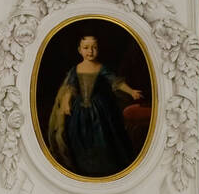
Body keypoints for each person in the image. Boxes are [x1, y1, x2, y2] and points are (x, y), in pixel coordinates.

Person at [46, 35, 143, 177]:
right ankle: (83, 166)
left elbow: (116, 82)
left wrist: (131, 91)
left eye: (94, 47)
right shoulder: (76, 69)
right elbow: (70, 88)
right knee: (78, 137)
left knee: (103, 137)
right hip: (79, 111)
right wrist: (66, 103)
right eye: (86, 48)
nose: (90, 51)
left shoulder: (101, 68)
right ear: (79, 50)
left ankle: (102, 167)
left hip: (100, 111)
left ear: (99, 49)